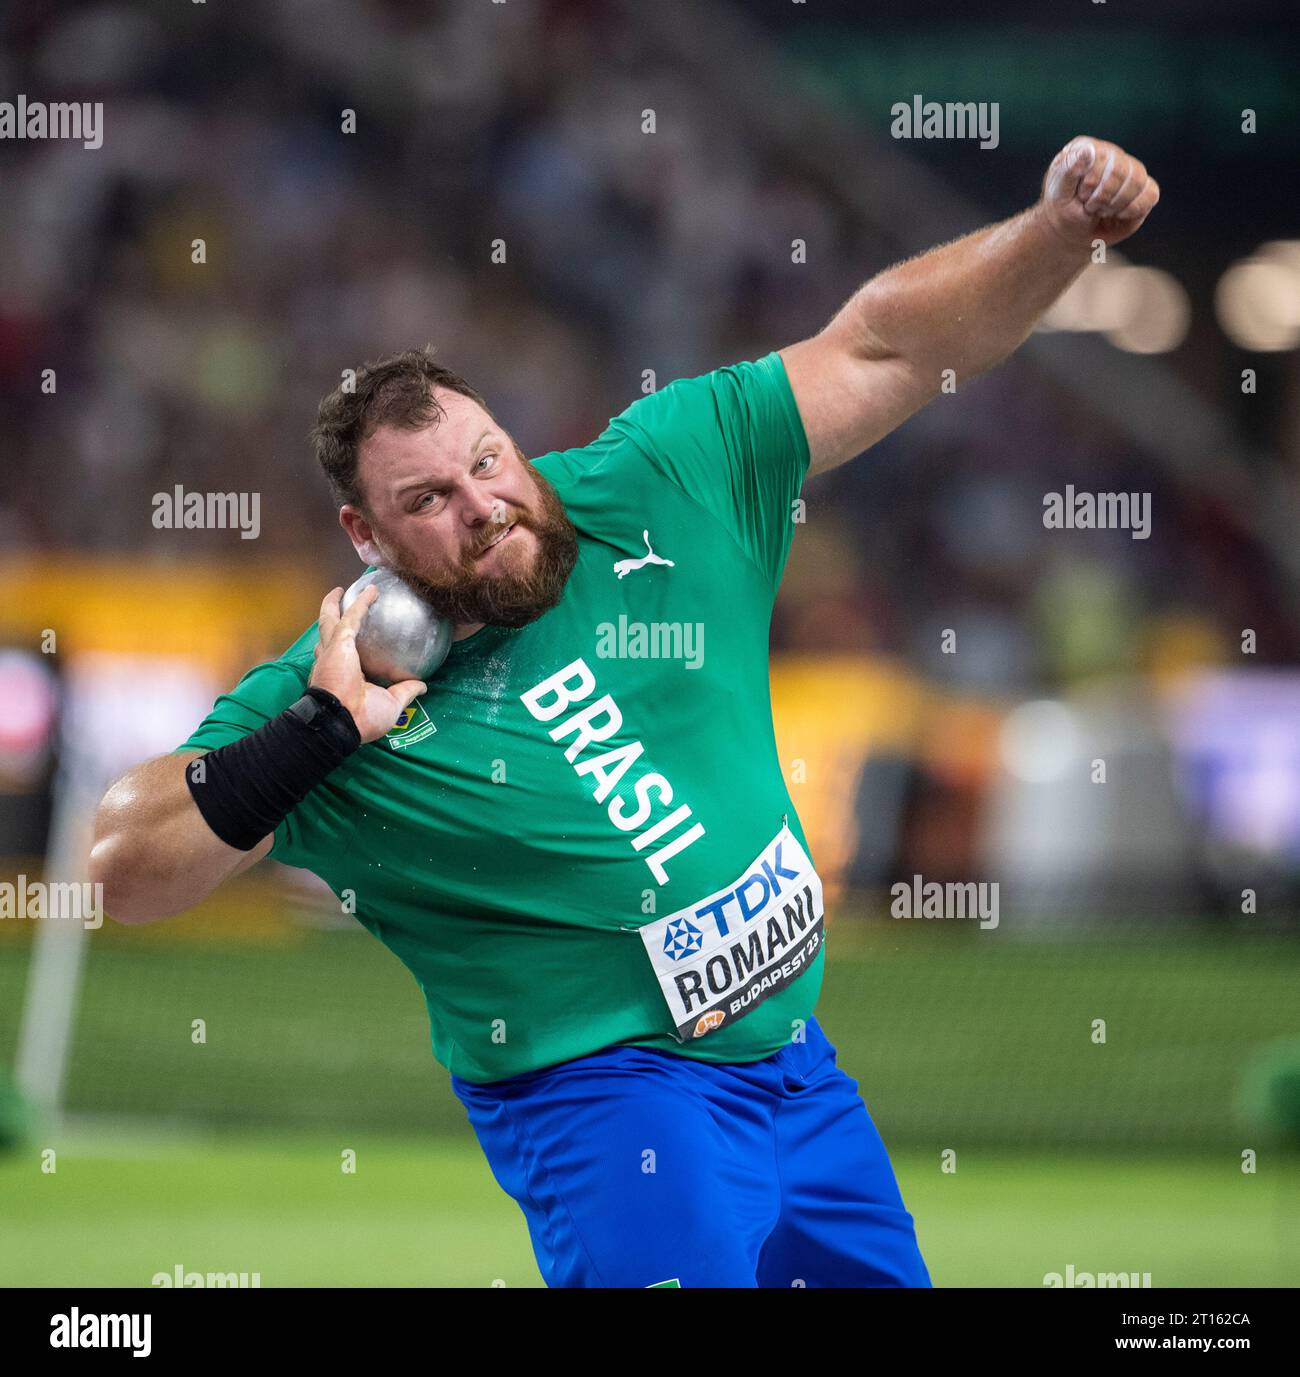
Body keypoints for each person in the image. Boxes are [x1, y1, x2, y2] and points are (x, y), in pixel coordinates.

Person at [90, 137, 1158, 1287]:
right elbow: (117, 866)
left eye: (485, 461)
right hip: (603, 1098)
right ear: (369, 539)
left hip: (793, 1068)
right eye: (428, 502)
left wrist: (1056, 233)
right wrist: (313, 739)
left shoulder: (665, 473)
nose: (482, 508)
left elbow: (885, 342)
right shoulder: (342, 687)